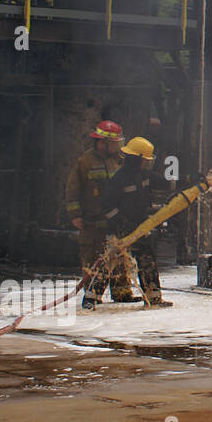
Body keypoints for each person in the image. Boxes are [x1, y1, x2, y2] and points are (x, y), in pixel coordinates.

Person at [65, 120, 137, 309]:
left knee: (119, 255)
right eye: (115, 143)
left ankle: (122, 293)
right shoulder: (85, 162)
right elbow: (72, 190)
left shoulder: (120, 160)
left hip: (115, 219)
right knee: (93, 258)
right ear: (102, 142)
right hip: (91, 220)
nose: (118, 146)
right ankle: (92, 296)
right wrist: (75, 215)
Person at [101, 136, 172, 308]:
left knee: (146, 259)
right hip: (121, 229)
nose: (146, 164)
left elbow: (165, 183)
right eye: (145, 161)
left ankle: (153, 297)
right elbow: (107, 205)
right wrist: (121, 222)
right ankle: (92, 297)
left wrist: (187, 179)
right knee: (111, 262)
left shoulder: (144, 176)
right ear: (136, 159)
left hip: (139, 227)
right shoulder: (119, 179)